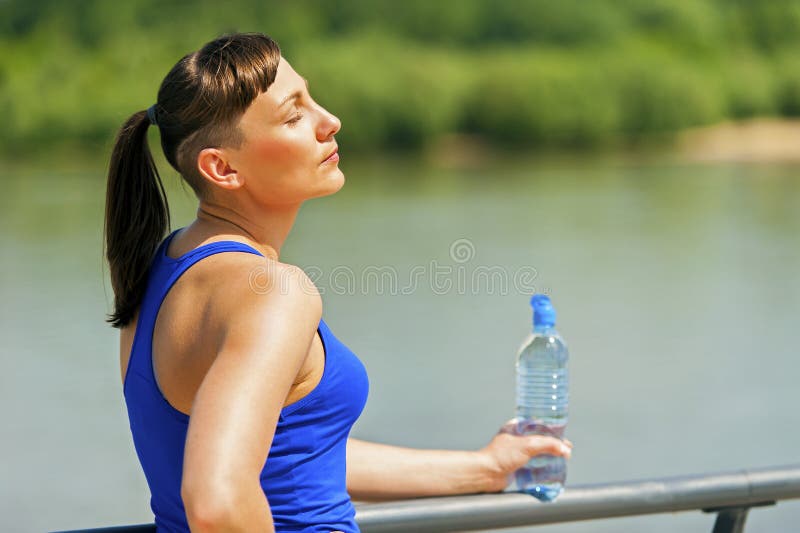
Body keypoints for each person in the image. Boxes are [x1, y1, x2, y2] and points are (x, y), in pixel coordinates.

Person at [104, 32, 573, 533]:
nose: (330, 122)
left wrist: (486, 469)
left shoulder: (162, 270)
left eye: (311, 99)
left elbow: (297, 455)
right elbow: (216, 501)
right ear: (222, 167)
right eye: (293, 115)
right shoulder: (273, 293)